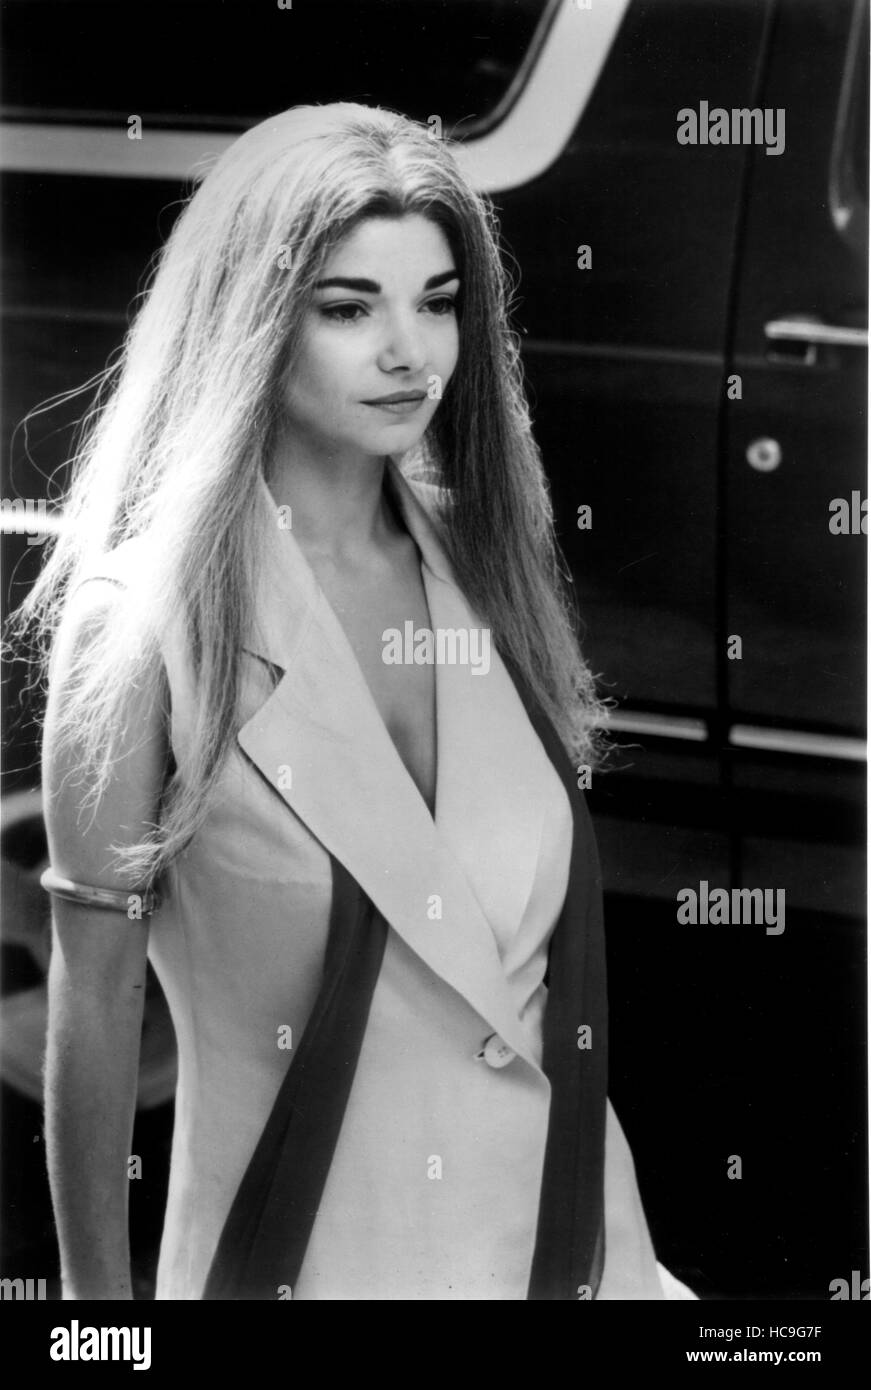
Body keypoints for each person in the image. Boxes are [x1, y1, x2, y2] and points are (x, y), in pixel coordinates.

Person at [15, 103, 696, 1300]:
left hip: (579, 1249)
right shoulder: (143, 620)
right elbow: (99, 993)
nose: (409, 352)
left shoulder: (489, 558)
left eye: (437, 303)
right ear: (250, 318)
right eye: (347, 308)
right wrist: (94, 1319)